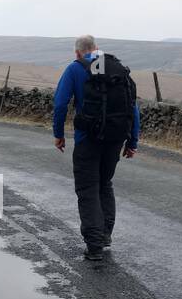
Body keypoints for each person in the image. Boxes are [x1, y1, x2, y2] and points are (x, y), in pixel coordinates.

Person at [52, 34, 140, 261]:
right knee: (104, 184)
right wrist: (132, 142)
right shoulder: (116, 67)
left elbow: (60, 104)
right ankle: (104, 235)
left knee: (87, 189)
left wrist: (59, 135)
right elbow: (133, 108)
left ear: (77, 52)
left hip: (86, 139)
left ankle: (94, 245)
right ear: (97, 48)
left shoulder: (75, 68)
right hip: (114, 139)